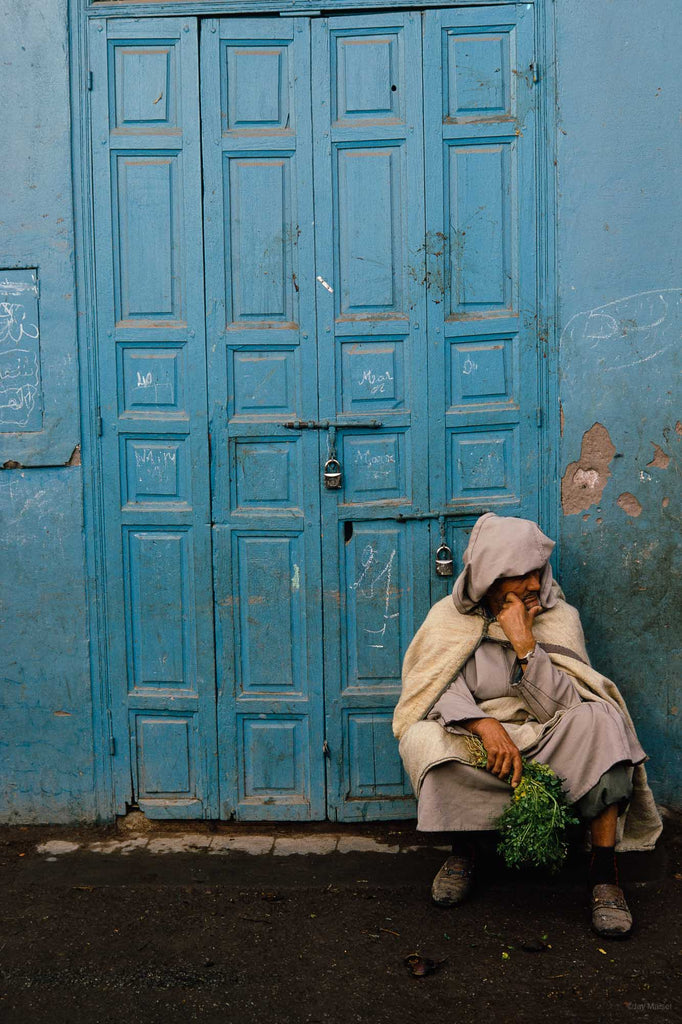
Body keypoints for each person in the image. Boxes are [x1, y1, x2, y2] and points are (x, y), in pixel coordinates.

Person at [393, 513, 662, 938]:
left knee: (604, 722)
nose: (536, 585)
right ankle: (465, 853)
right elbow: (432, 690)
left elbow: (567, 704)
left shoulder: (559, 618)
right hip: (475, 737)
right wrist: (482, 724)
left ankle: (605, 877)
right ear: (490, 576)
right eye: (523, 574)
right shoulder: (447, 620)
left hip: (546, 733)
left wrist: (525, 644)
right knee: (423, 738)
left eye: (539, 572)